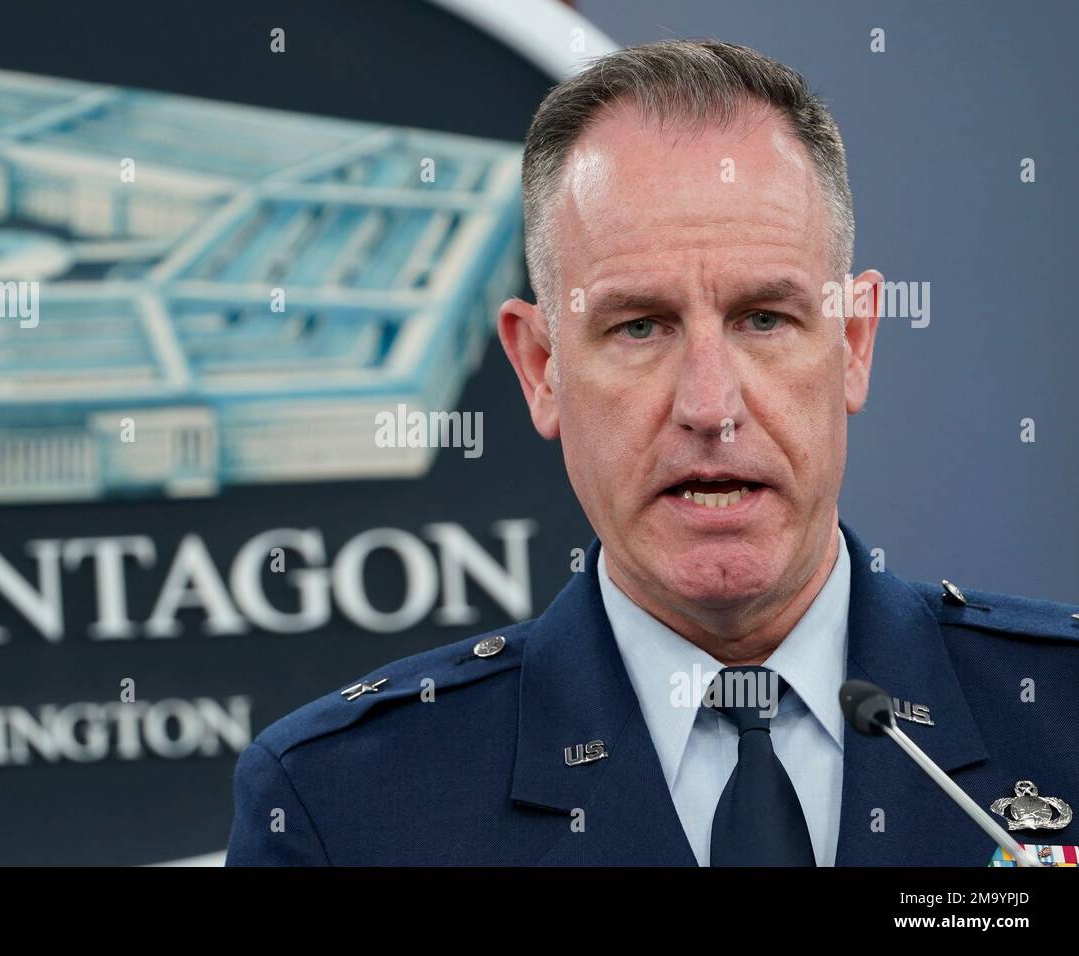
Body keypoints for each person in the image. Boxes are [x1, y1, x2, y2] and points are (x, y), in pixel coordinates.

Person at [225, 39, 1078, 866]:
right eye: (639, 327)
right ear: (541, 368)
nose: (711, 408)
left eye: (764, 319)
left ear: (854, 343)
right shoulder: (345, 808)